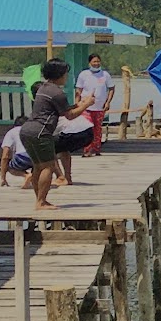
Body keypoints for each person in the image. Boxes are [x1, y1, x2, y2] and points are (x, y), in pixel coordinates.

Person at [21, 58, 74, 211]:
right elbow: (69, 114)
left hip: (27, 130)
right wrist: (86, 104)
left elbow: (63, 109)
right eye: (66, 74)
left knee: (38, 167)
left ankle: (40, 200)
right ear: (59, 75)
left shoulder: (44, 88)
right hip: (41, 132)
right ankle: (41, 202)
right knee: (48, 167)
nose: (67, 77)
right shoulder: (57, 92)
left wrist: (80, 105)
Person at [75, 53, 114, 153]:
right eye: (94, 62)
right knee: (88, 127)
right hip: (86, 107)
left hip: (100, 107)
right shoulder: (83, 74)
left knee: (98, 128)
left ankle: (96, 148)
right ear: (89, 63)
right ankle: (87, 149)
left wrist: (108, 102)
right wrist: (77, 104)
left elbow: (111, 89)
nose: (96, 63)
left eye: (98, 61)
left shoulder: (105, 75)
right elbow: (78, 90)